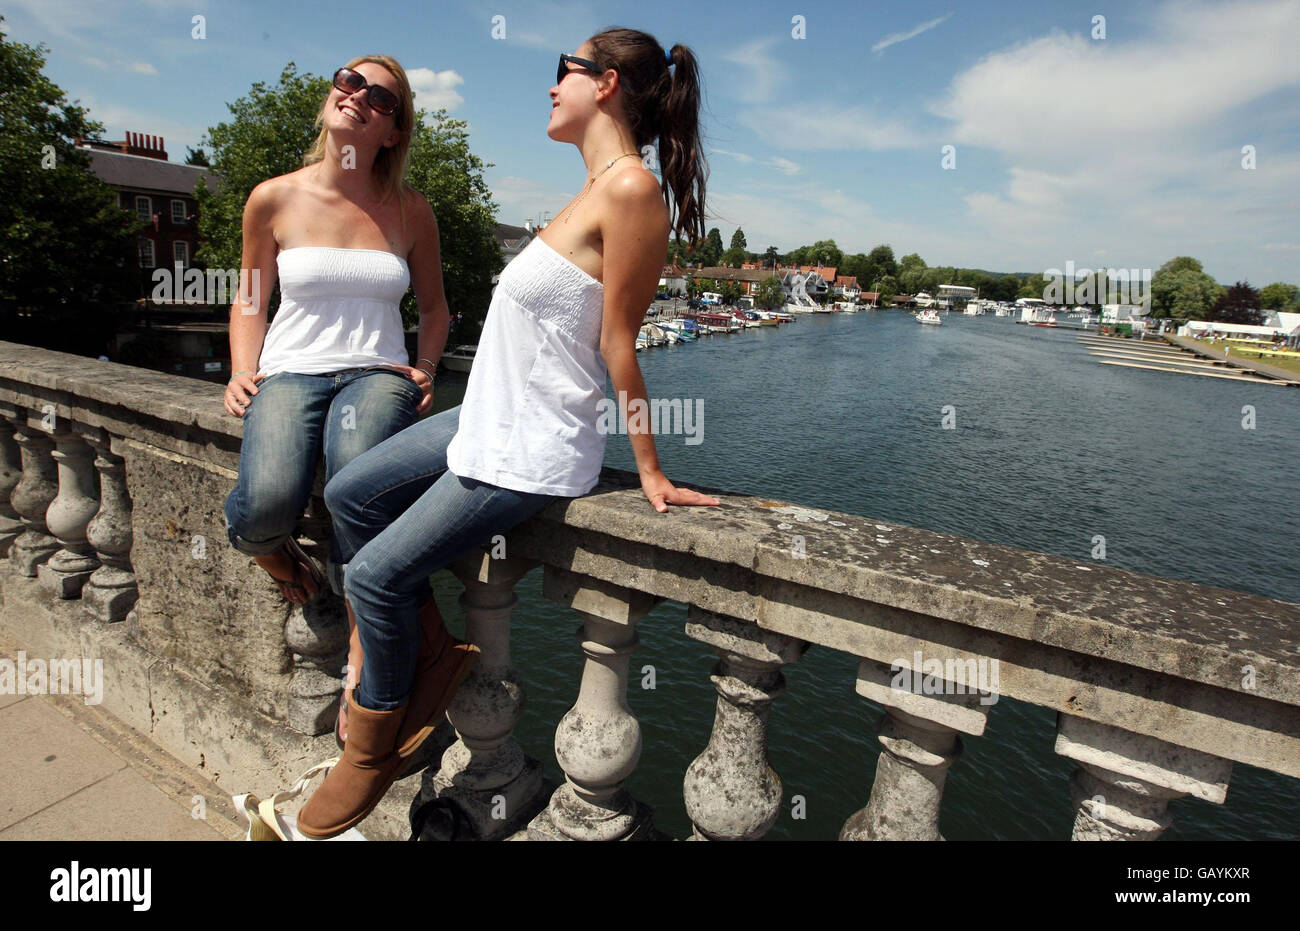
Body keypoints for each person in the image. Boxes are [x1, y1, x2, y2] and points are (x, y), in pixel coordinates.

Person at [296, 27, 721, 838]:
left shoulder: (632, 191)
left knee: (378, 575)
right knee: (350, 491)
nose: (550, 87)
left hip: (533, 447)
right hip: (484, 416)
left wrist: (650, 469)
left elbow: (620, 343)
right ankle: (427, 650)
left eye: (561, 72)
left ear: (603, 86)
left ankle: (381, 736)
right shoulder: (591, 188)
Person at [221, 55, 451, 746]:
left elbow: (437, 308)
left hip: (376, 373)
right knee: (264, 507)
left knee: (356, 482)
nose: (358, 97)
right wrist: (241, 366)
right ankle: (282, 560)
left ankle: (362, 655)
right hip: (291, 371)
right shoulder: (273, 197)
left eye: (380, 97)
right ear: (331, 96)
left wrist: (427, 367)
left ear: (392, 129)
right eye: (348, 81)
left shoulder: (410, 209)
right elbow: (250, 298)